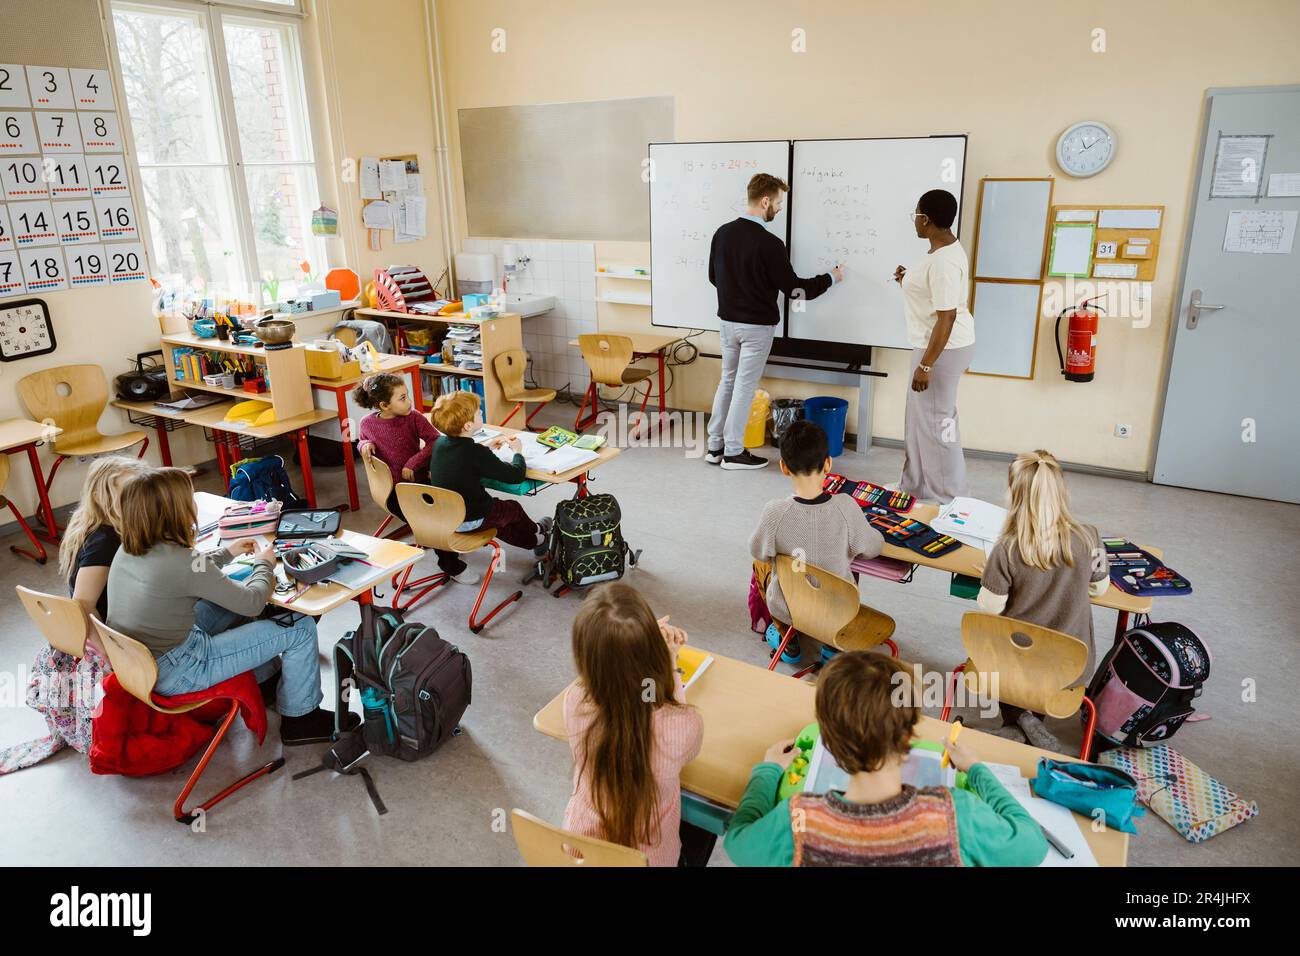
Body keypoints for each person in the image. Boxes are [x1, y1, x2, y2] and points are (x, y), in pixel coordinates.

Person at [723, 653, 1048, 867]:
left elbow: (737, 842)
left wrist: (766, 772)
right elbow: (1032, 844)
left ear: (829, 742)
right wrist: (978, 771)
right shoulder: (955, 814)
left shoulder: (797, 821)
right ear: (907, 736)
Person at [106, 467, 347, 745]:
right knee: (300, 627)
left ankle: (267, 680)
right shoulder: (181, 562)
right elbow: (253, 603)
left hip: (143, 662)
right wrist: (264, 564)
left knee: (228, 603)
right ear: (176, 511)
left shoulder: (127, 550)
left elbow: (191, 568)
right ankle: (301, 720)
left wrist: (227, 552)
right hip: (181, 670)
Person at [0, 456, 151, 774]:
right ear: (109, 498)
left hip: (92, 636)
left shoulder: (94, 526)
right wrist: (113, 657)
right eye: (133, 494)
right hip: (107, 639)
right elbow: (84, 605)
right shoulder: (106, 541)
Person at [706, 173, 843, 471]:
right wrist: (831, 278)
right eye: (778, 202)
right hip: (756, 328)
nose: (779, 209)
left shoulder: (722, 233)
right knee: (743, 385)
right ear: (765, 200)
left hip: (727, 323)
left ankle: (715, 446)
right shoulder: (769, 243)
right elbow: (795, 289)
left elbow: (713, 277)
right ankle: (733, 453)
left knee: (727, 380)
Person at [562, 583, 704, 866]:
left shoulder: (575, 699)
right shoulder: (683, 724)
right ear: (652, 652)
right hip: (650, 857)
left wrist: (635, 642)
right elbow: (662, 708)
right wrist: (670, 660)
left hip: (579, 850)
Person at [977, 450, 1109, 751]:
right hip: (1071, 664)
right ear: (1061, 491)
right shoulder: (1090, 537)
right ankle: (1028, 723)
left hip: (1018, 663)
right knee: (1039, 659)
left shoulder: (1007, 549)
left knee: (1002, 648)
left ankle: (1019, 720)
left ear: (1015, 495)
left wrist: (990, 577)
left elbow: (989, 607)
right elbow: (1099, 589)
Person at [749, 420, 884, 663]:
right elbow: (873, 548)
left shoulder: (774, 512)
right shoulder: (846, 507)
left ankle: (788, 641)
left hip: (790, 607)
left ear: (783, 467)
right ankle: (831, 645)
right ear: (828, 463)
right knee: (847, 566)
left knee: (760, 566)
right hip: (838, 611)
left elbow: (757, 551)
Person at [894, 188, 975, 502]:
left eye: (915, 214)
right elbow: (932, 292)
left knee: (939, 425)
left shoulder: (944, 261)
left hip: (943, 350)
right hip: (932, 345)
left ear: (925, 219)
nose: (914, 220)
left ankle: (950, 499)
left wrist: (926, 365)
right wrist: (907, 279)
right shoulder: (940, 251)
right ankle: (912, 487)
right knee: (917, 422)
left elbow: (947, 317)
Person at [355, 372, 476, 584]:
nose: (410, 401)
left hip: (420, 483)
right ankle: (451, 565)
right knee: (429, 520)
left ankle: (447, 540)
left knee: (454, 499)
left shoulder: (414, 417)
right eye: (402, 398)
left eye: (407, 395)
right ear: (384, 405)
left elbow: (435, 441)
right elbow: (361, 441)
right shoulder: (367, 423)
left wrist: (413, 462)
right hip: (393, 492)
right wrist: (364, 445)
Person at [426, 391, 551, 556]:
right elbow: (515, 476)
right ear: (468, 426)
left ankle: (534, 540)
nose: (482, 412)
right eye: (478, 411)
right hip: (472, 518)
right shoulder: (475, 452)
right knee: (513, 509)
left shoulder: (440, 443)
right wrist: (517, 452)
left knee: (500, 521)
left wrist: (486, 448)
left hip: (446, 518)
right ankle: (538, 533)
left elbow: (461, 460)